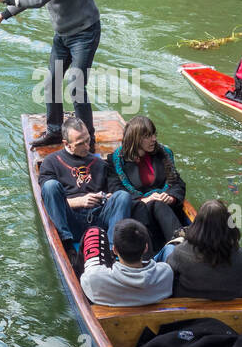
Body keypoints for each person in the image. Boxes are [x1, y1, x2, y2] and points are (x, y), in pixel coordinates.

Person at [0, 0, 102, 148]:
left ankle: (89, 140)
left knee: (76, 85)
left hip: (84, 33)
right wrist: (2, 15)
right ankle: (54, 131)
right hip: (63, 35)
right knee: (51, 82)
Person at [38, 116, 132, 253]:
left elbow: (112, 194)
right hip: (70, 219)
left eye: (88, 140)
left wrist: (106, 197)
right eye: (80, 144)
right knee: (50, 186)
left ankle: (114, 249)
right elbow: (49, 199)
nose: (87, 146)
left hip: (98, 217)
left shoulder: (100, 164)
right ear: (67, 143)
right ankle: (66, 244)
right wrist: (80, 201)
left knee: (122, 196)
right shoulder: (51, 162)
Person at [106, 115, 188, 251]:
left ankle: (174, 247)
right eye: (148, 136)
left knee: (158, 203)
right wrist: (145, 199)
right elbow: (117, 191)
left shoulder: (164, 155)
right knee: (155, 203)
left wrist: (171, 197)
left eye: (154, 134)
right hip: (136, 210)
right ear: (135, 140)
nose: (154, 139)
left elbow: (177, 183)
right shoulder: (115, 161)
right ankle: (180, 245)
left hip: (164, 209)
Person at [157, 200, 242, 300]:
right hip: (231, 308)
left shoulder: (180, 252)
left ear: (197, 225)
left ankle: (147, 265)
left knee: (169, 248)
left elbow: (169, 275)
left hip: (186, 305)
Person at [80, 219, 173, 307]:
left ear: (115, 250)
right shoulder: (166, 273)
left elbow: (89, 273)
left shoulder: (93, 278)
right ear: (146, 248)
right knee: (170, 248)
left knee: (94, 231)